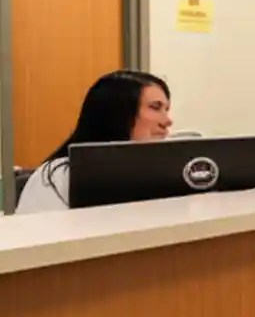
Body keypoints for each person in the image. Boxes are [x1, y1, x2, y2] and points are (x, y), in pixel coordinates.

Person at [16, 70, 173, 214]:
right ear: (118, 113)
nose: (167, 121)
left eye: (166, 110)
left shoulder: (166, 174)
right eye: (155, 107)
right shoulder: (56, 177)